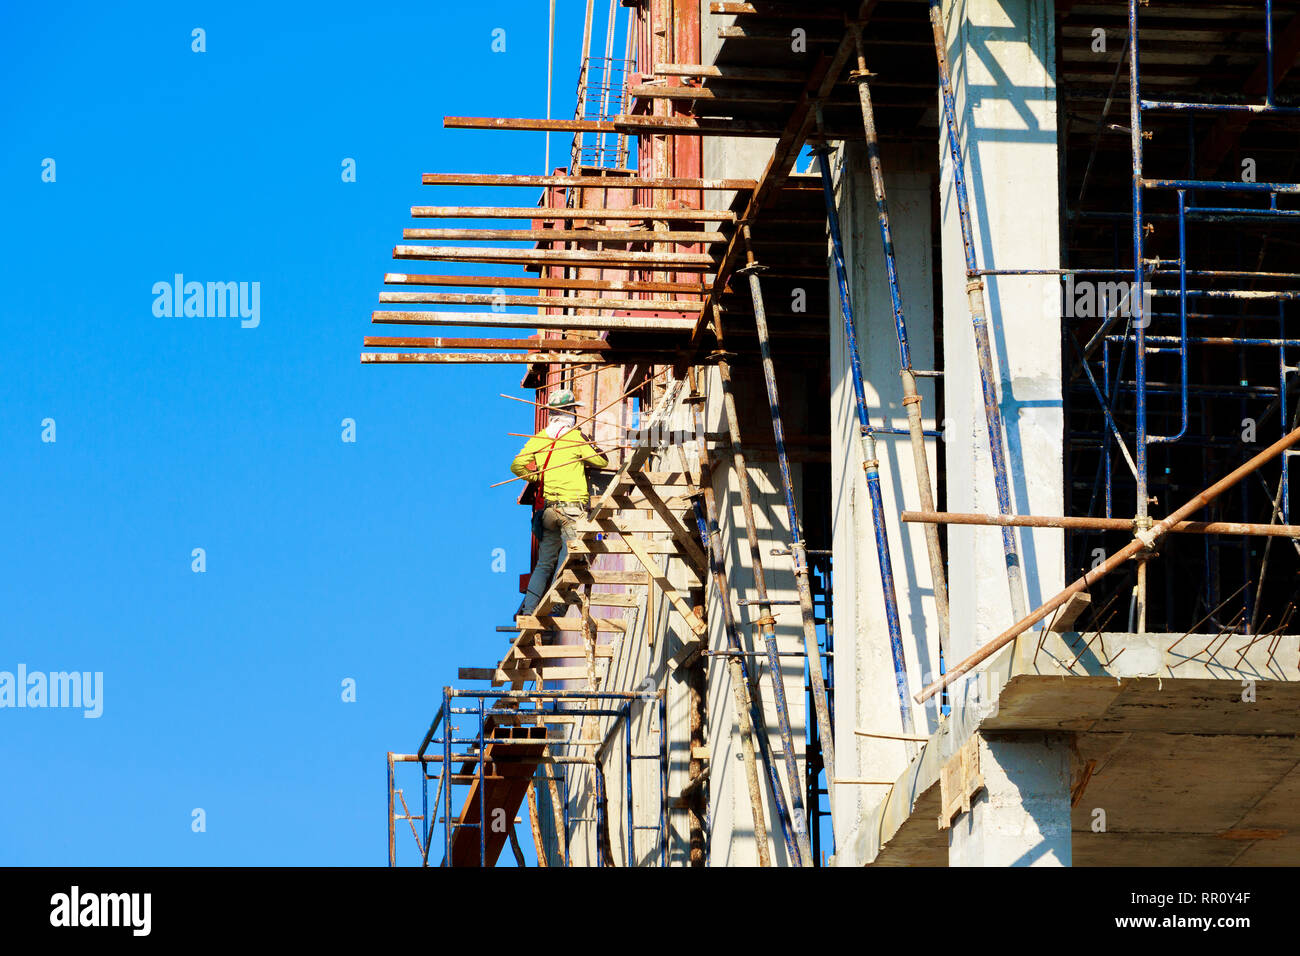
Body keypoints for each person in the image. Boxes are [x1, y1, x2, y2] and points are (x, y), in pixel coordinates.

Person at [511, 388, 608, 618]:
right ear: (569, 412)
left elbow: (516, 466)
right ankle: (557, 604)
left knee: (544, 564)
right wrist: (589, 442)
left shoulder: (540, 439)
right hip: (572, 511)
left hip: (549, 513)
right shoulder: (574, 437)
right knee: (572, 558)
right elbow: (602, 461)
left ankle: (529, 609)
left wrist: (538, 476)